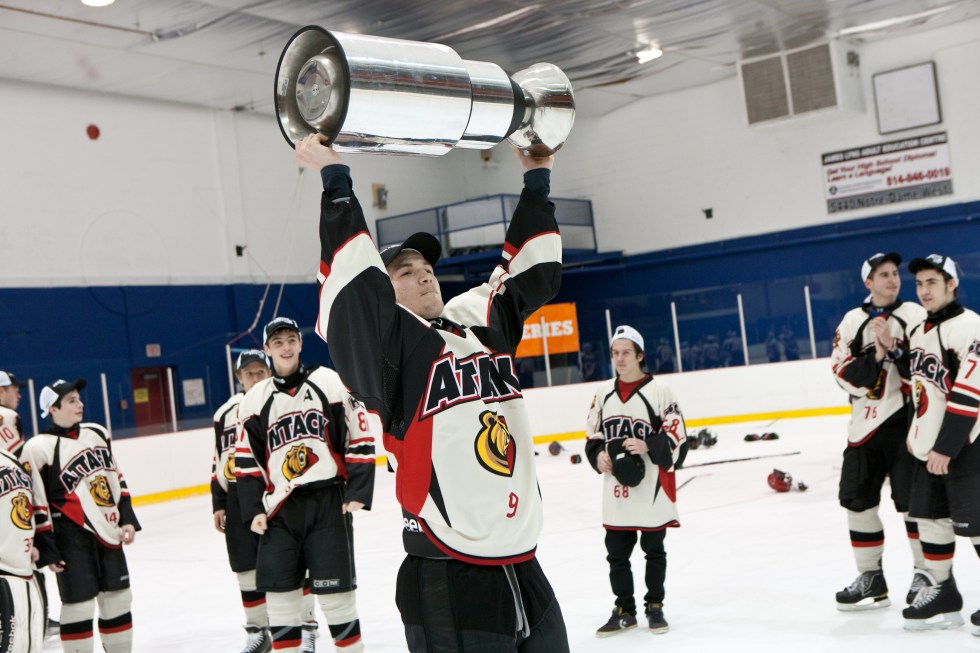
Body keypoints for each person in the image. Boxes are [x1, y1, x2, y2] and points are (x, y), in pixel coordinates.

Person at [298, 134, 569, 652]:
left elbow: (530, 274)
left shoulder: (474, 322)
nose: (424, 276)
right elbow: (350, 298)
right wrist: (335, 180)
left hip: (521, 557)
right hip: (449, 568)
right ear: (383, 288)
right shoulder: (392, 347)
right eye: (405, 272)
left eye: (427, 270)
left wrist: (537, 177)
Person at [235, 317, 377, 653]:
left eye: (291, 340)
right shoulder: (255, 399)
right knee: (282, 603)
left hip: (328, 500)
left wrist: (358, 490)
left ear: (300, 344)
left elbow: (360, 434)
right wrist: (253, 507)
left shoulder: (328, 382)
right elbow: (246, 461)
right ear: (268, 349)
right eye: (278, 342)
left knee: (338, 600)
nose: (286, 347)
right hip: (280, 509)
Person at [830, 252, 927, 611]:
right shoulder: (853, 320)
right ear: (868, 283)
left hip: (908, 425)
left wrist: (894, 348)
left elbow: (927, 368)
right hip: (865, 428)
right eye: (883, 274)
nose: (892, 279)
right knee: (857, 502)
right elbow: (841, 371)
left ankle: (924, 573)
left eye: (894, 273)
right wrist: (874, 357)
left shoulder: (915, 315)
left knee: (912, 505)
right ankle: (871, 576)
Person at [214, 349, 321, 653]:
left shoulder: (282, 398)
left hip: (278, 491)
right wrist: (218, 503)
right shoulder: (224, 413)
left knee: (292, 561)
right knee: (246, 567)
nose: (255, 376)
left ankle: (307, 626)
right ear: (239, 377)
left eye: (260, 371)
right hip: (238, 496)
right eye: (248, 373)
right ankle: (257, 630)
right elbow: (218, 461)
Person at [583, 324, 688, 637]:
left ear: (640, 355)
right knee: (616, 552)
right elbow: (593, 434)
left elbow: (678, 434)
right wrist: (598, 454)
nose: (620, 358)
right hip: (616, 488)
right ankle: (624, 609)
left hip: (652, 487)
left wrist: (649, 445)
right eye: (615, 353)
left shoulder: (660, 391)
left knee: (653, 549)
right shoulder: (602, 392)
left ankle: (654, 606)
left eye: (626, 352)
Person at [21, 379, 139, 653]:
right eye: (72, 400)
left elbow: (115, 480)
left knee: (118, 598)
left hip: (108, 534)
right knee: (79, 605)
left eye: (79, 398)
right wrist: (47, 549)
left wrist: (127, 518)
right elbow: (36, 502)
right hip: (70, 539)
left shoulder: (96, 434)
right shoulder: (38, 448)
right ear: (52, 408)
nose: (80, 404)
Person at [898, 254, 980, 632]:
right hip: (927, 449)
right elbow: (923, 383)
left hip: (964, 447)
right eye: (919, 284)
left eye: (932, 282)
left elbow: (970, 392)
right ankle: (944, 591)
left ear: (952, 284)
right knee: (929, 520)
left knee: (977, 526)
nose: (924, 290)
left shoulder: (970, 326)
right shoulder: (920, 330)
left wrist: (945, 448)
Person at [0, 444, 45, 652]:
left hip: (23, 568)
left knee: (27, 643)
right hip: (5, 572)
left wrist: (29, 538)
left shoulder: (11, 459)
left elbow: (25, 505)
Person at [0, 370, 28, 456]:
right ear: (1, 391)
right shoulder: (7, 415)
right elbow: (18, 456)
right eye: (15, 390)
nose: (19, 396)